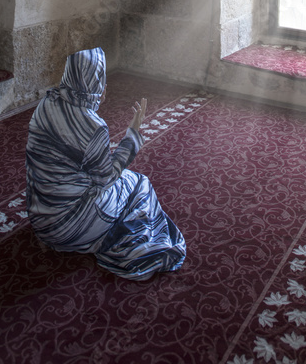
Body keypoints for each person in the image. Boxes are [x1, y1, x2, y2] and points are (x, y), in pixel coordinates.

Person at [25, 46, 186, 280]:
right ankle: (125, 246)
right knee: (139, 183)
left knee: (113, 179)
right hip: (68, 227)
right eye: (102, 79)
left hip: (40, 219)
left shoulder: (46, 104)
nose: (105, 87)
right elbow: (106, 180)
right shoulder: (92, 126)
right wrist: (133, 134)